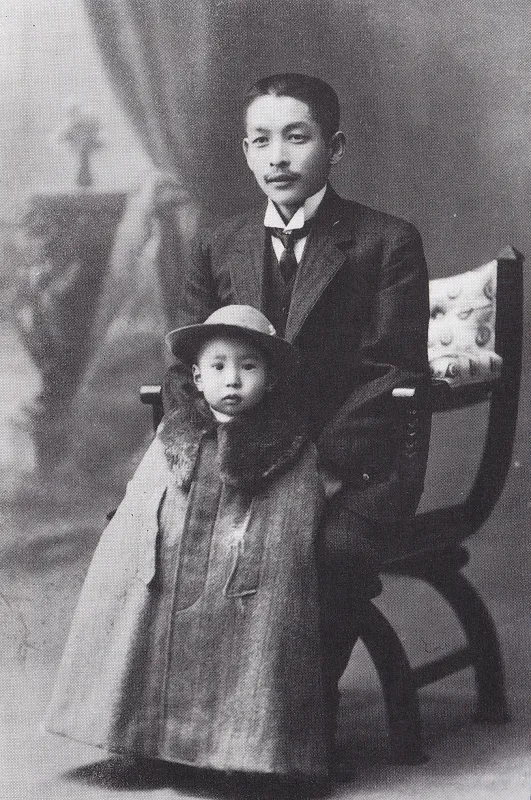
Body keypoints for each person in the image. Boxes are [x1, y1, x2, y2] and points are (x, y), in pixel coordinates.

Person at [164, 73, 431, 743]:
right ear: (245, 151)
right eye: (261, 141)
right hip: (238, 459)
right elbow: (183, 366)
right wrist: (207, 455)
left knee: (326, 547)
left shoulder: (385, 241)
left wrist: (316, 467)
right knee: (161, 534)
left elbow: (392, 370)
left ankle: (292, 730)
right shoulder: (217, 243)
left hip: (350, 466)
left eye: (297, 137)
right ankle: (186, 726)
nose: (278, 157)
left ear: (333, 147)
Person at [46, 305, 331, 783]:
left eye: (248, 366)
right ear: (197, 378)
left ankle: (241, 748)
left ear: (271, 378)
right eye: (218, 367)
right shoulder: (175, 436)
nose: (232, 380)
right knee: (146, 613)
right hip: (172, 563)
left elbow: (293, 522)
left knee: (254, 629)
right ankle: (145, 736)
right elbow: (144, 507)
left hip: (243, 568)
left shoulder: (289, 447)